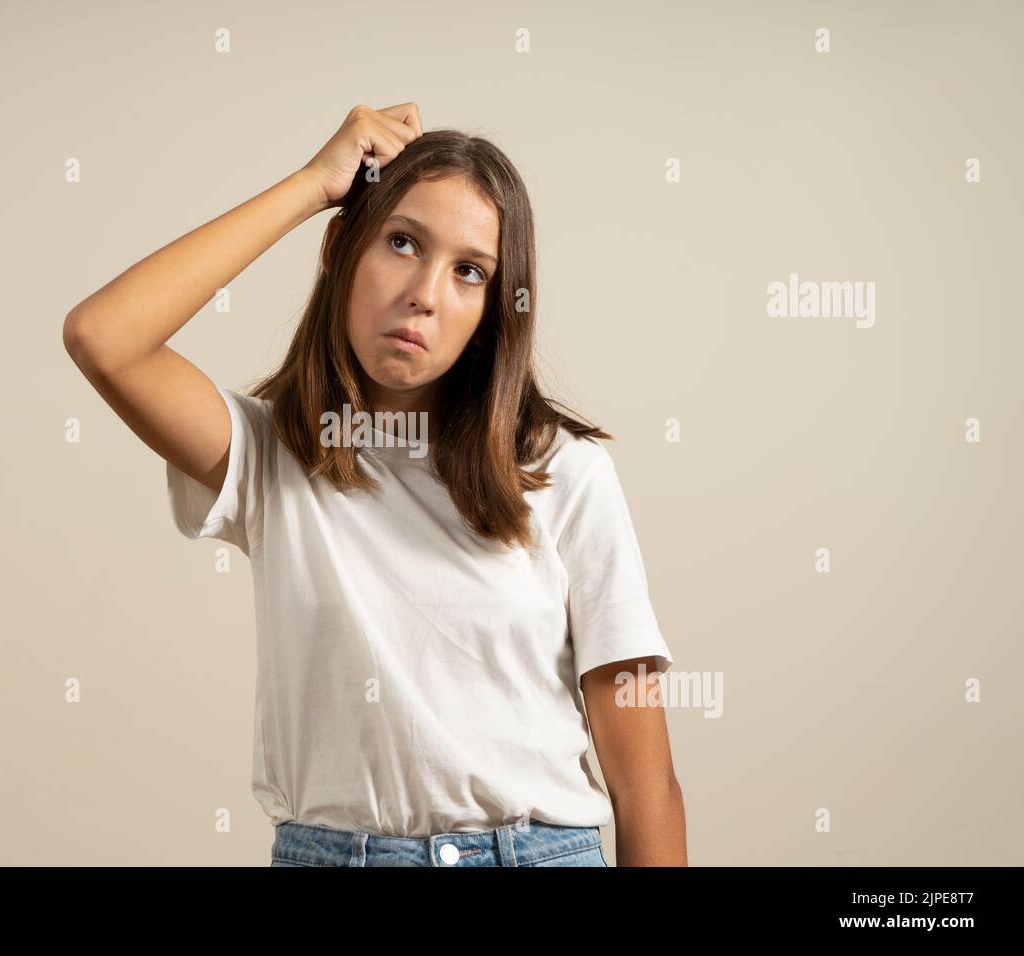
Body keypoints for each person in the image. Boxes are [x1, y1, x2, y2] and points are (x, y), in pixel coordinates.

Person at [63, 102, 687, 867]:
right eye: (401, 242)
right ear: (340, 249)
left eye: (469, 272)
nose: (425, 292)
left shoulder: (567, 475)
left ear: (493, 310)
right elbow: (103, 336)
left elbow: (647, 786)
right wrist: (311, 184)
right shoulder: (271, 456)